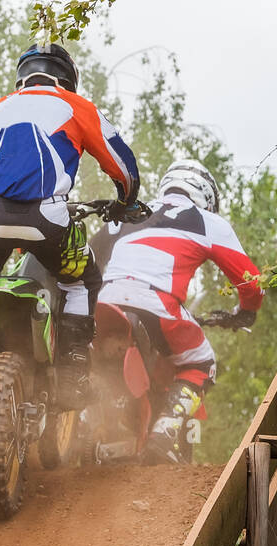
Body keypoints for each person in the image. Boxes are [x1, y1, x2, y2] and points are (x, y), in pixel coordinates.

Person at [0, 43, 140, 409]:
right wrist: (124, 203)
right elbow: (124, 168)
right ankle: (73, 373)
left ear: (22, 76)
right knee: (82, 280)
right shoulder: (78, 107)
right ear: (67, 79)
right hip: (49, 220)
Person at [97, 158, 264, 464]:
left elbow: (89, 257)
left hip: (105, 300)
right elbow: (251, 282)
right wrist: (245, 312)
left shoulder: (128, 213)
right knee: (202, 363)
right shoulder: (206, 221)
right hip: (156, 303)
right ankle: (164, 433)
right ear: (207, 195)